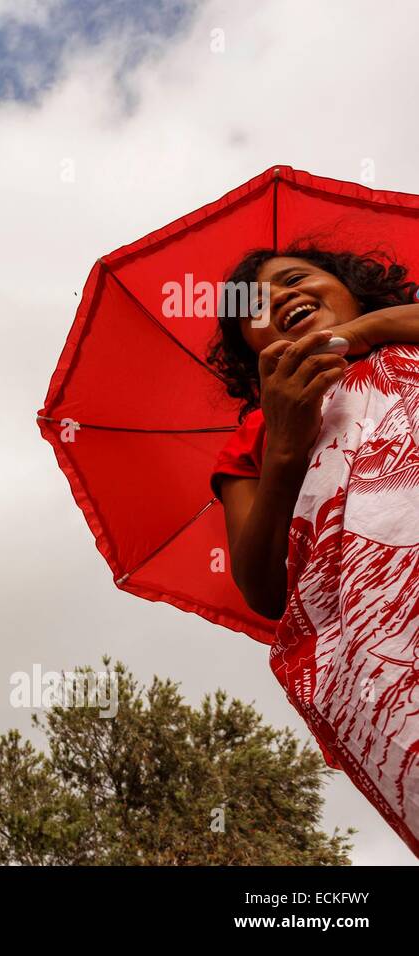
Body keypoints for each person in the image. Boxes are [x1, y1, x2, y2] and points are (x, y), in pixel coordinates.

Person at [207, 244, 419, 854]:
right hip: (376, 628)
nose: (280, 299)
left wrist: (362, 334)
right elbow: (263, 588)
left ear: (351, 286)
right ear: (250, 348)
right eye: (256, 307)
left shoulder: (400, 333)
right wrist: (284, 448)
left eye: (295, 280)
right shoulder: (256, 434)